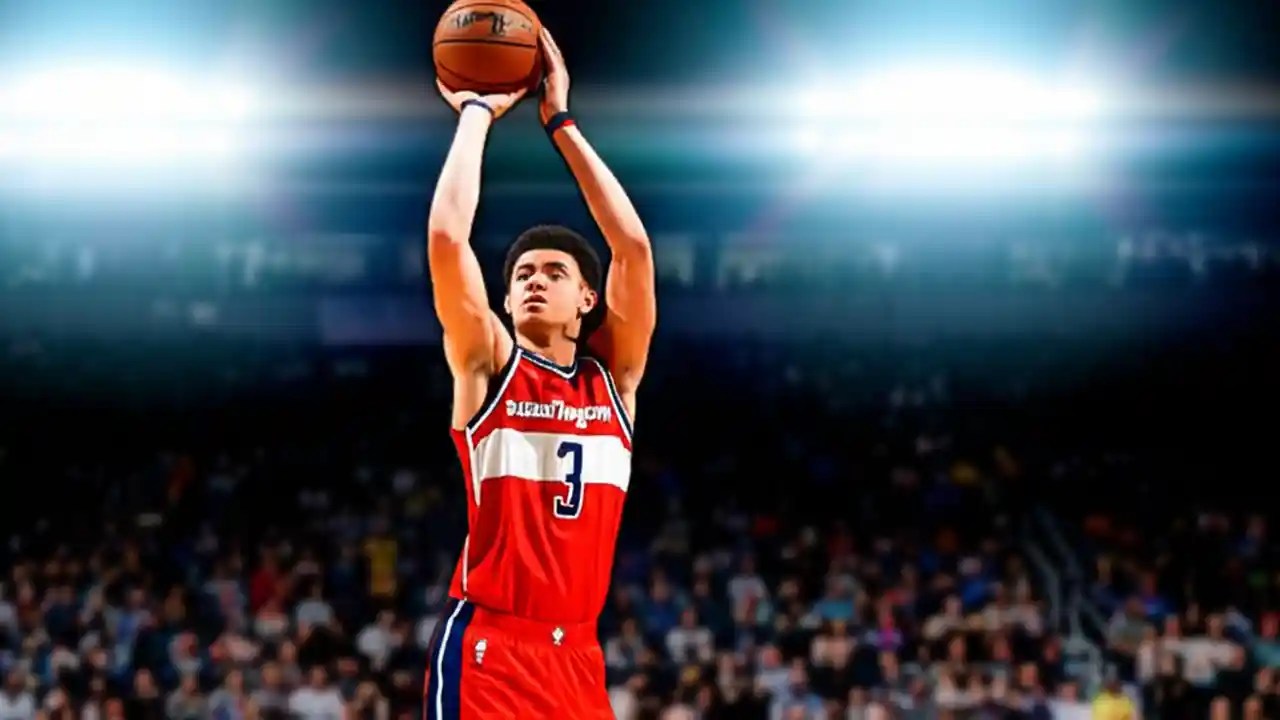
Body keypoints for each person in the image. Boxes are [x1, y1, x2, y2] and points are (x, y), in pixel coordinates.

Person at [422, 27, 656, 720]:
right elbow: (445, 239)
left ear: (589, 298)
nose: (533, 281)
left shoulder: (613, 382)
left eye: (554, 272)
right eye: (522, 273)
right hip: (491, 648)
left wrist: (561, 123)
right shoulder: (487, 363)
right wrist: (474, 112)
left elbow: (634, 249)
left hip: (578, 655)